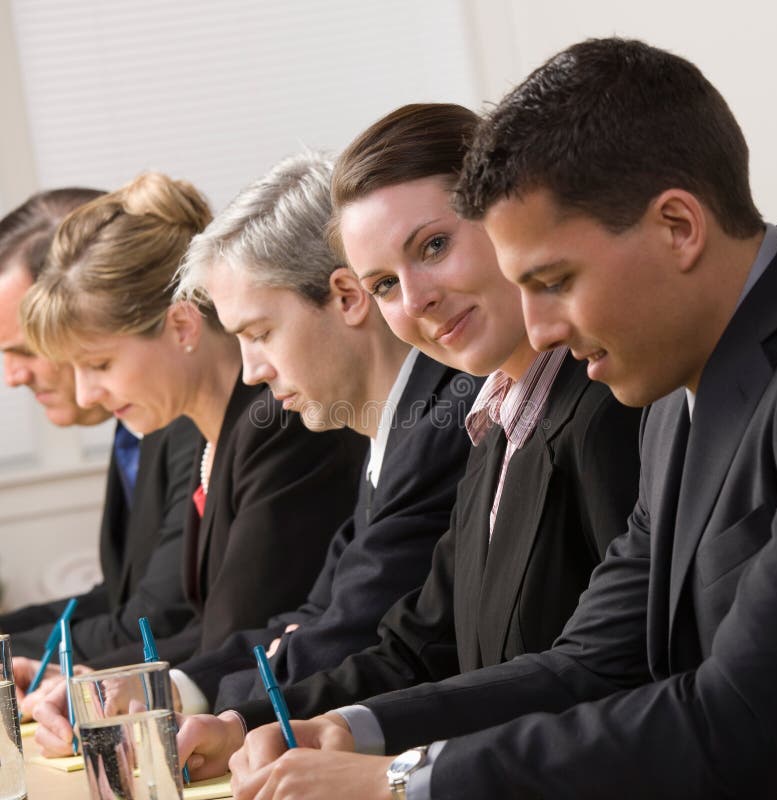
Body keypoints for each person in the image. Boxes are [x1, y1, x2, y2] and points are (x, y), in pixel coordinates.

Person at [225, 38, 777, 800]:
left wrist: (398, 782)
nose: (541, 328)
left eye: (555, 281)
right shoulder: (670, 404)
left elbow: (740, 719)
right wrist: (352, 729)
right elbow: (587, 664)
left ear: (678, 227)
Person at [176, 104, 642, 780]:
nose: (416, 298)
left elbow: (604, 677)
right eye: (386, 285)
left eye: (434, 247)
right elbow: (419, 645)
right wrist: (259, 726)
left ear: (507, 222)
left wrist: (397, 781)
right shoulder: (491, 426)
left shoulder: (605, 410)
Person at [18, 172, 365, 756]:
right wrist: (90, 679)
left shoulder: (277, 422)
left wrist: (108, 685)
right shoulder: (207, 435)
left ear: (181, 326)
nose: (84, 394)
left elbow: (236, 631)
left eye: (98, 364)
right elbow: (202, 629)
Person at [163, 151, 477, 715]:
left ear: (347, 297)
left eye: (260, 333)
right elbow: (311, 618)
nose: (251, 372)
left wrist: (224, 703)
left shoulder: (442, 426)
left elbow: (339, 643)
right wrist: (175, 688)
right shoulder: (389, 432)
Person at [0, 188, 199, 671]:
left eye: (25, 350)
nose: (12, 377)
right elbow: (121, 594)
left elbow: (155, 618)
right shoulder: (134, 423)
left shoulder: (183, 417)